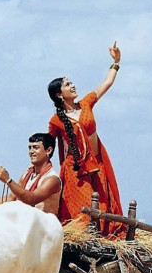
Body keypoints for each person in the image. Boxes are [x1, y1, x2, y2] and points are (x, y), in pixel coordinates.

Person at [47, 41, 126, 238]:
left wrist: (116, 62)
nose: (73, 85)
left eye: (71, 82)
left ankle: (103, 240)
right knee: (82, 209)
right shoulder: (56, 120)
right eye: (67, 84)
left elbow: (106, 84)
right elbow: (47, 145)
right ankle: (78, 239)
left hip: (97, 165)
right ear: (59, 94)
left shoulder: (86, 104)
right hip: (76, 170)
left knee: (103, 205)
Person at [0, 133, 61, 216]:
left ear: (48, 150)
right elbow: (12, 197)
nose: (31, 151)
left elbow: (32, 199)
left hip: (42, 230)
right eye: (30, 148)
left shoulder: (52, 179)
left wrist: (8, 180)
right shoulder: (27, 174)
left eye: (36, 147)